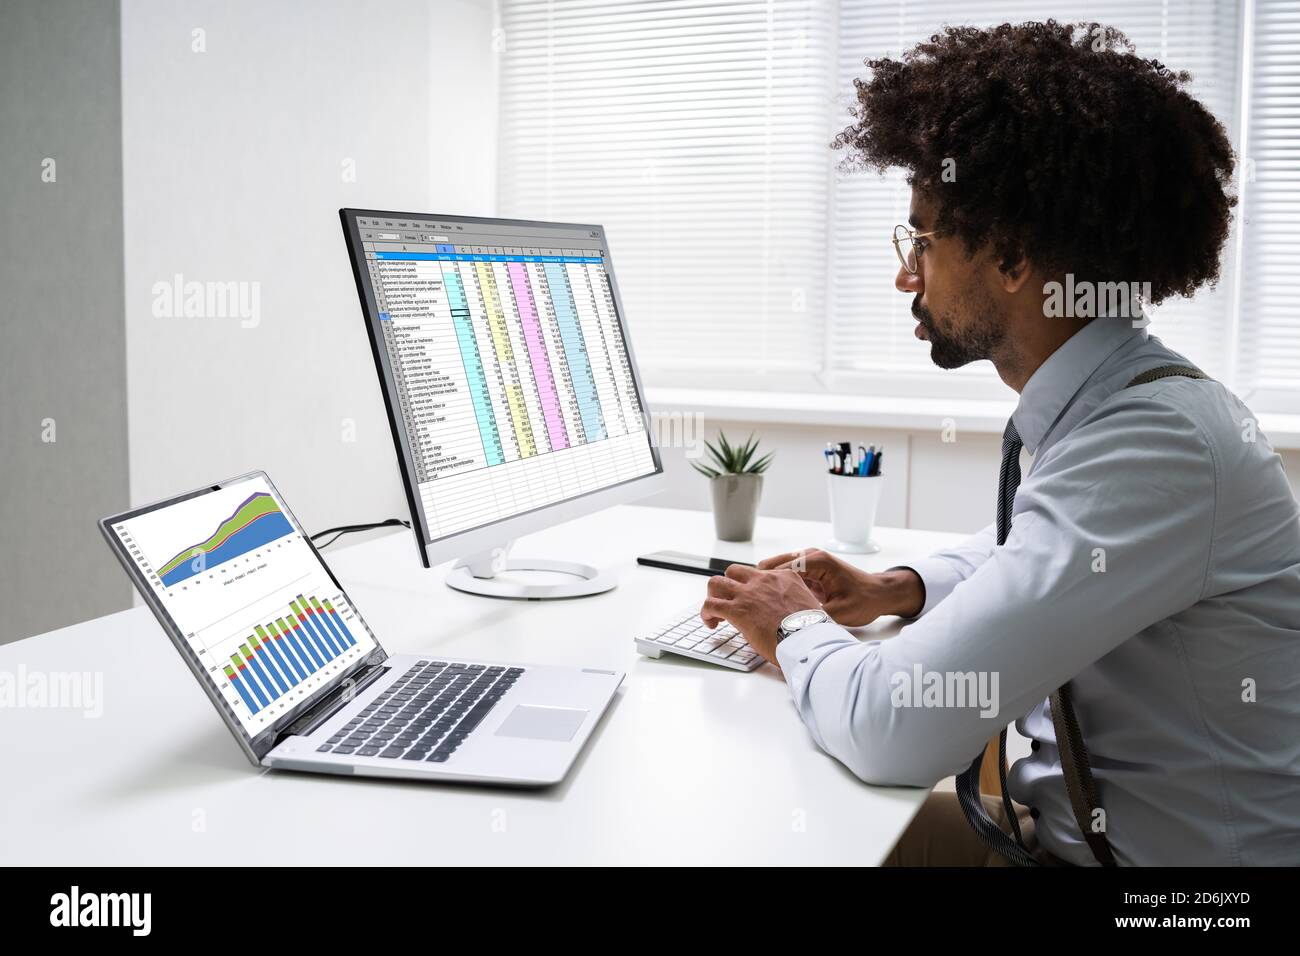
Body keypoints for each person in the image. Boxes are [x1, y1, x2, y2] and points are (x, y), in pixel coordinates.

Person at [699, 21, 1300, 866]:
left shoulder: (1155, 445)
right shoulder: (1121, 405)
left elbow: (891, 730)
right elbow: (1039, 548)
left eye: (924, 240)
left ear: (1014, 256)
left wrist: (795, 625)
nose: (907, 276)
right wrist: (897, 589)